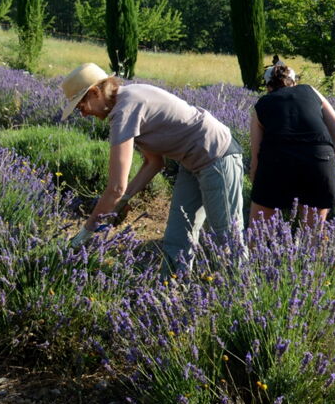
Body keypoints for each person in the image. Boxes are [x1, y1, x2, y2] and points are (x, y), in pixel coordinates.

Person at [61, 63, 244, 273]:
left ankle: (243, 296)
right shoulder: (126, 100)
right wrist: (123, 202)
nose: (82, 114)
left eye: (80, 106)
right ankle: (172, 292)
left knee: (227, 238)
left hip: (217, 155)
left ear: (94, 93)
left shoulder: (124, 110)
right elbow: (154, 163)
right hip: (191, 162)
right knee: (178, 236)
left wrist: (85, 233)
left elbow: (115, 188)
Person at [248, 57, 335, 228]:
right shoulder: (310, 91)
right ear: (294, 82)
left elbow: (256, 156)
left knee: (257, 234)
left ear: (268, 87)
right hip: (319, 161)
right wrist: (326, 162)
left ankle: (254, 254)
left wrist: (258, 189)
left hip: (276, 164)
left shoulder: (262, 105)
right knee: (313, 237)